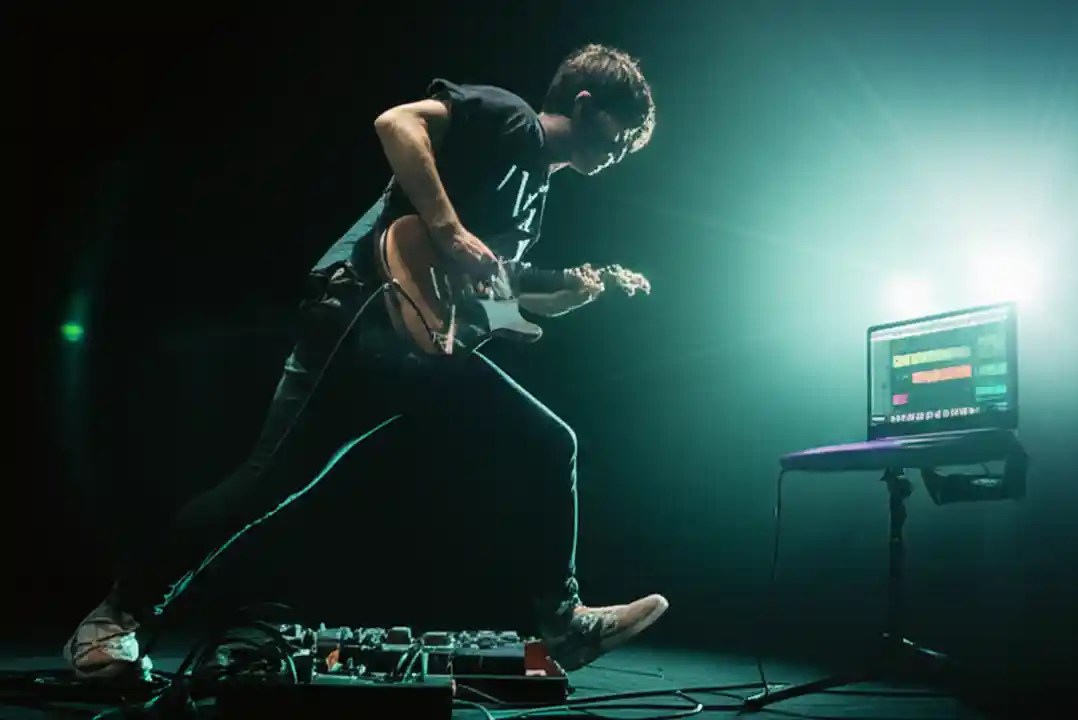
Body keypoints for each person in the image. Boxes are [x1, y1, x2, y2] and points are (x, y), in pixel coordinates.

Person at [64, 43, 668, 680]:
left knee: (549, 442)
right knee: (262, 485)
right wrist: (448, 226)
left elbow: (494, 297)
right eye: (621, 131)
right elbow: (397, 123)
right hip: (358, 321)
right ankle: (115, 617)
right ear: (583, 103)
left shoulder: (533, 197)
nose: (623, 149)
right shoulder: (508, 116)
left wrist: (569, 293)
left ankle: (565, 625)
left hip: (422, 350)